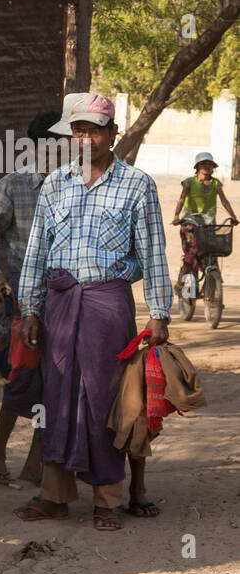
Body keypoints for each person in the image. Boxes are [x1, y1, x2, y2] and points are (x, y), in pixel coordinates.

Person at [12, 93, 172, 532]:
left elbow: (154, 253)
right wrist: (30, 308)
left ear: (112, 134)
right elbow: (36, 253)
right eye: (79, 130)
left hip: (108, 303)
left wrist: (159, 311)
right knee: (59, 395)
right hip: (60, 304)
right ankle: (55, 497)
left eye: (95, 130)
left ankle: (108, 500)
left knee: (106, 396)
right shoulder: (54, 185)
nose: (87, 138)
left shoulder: (137, 185)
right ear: (70, 135)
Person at [0, 109, 63, 485]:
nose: (59, 155)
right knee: (22, 378)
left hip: (64, 297)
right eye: (51, 148)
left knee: (54, 383)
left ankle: (37, 460)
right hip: (23, 297)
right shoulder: (13, 186)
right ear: (36, 148)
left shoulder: (78, 188)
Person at [170, 151, 237, 295]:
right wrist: (176, 215)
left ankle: (212, 294)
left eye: (209, 164)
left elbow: (224, 201)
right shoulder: (189, 182)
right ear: (197, 166)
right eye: (203, 164)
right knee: (192, 251)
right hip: (190, 221)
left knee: (212, 255)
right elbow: (181, 199)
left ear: (213, 167)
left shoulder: (215, 183)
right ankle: (182, 282)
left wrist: (233, 216)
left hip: (208, 224)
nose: (207, 167)